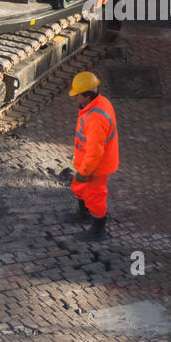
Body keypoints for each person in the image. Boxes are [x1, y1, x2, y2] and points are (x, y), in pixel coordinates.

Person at [68, 71, 119, 241]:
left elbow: (95, 152)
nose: (75, 98)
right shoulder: (98, 103)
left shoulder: (95, 118)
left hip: (96, 166)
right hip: (88, 161)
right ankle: (83, 214)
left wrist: (85, 172)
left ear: (87, 96)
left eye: (78, 95)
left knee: (95, 196)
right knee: (80, 187)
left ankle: (98, 230)